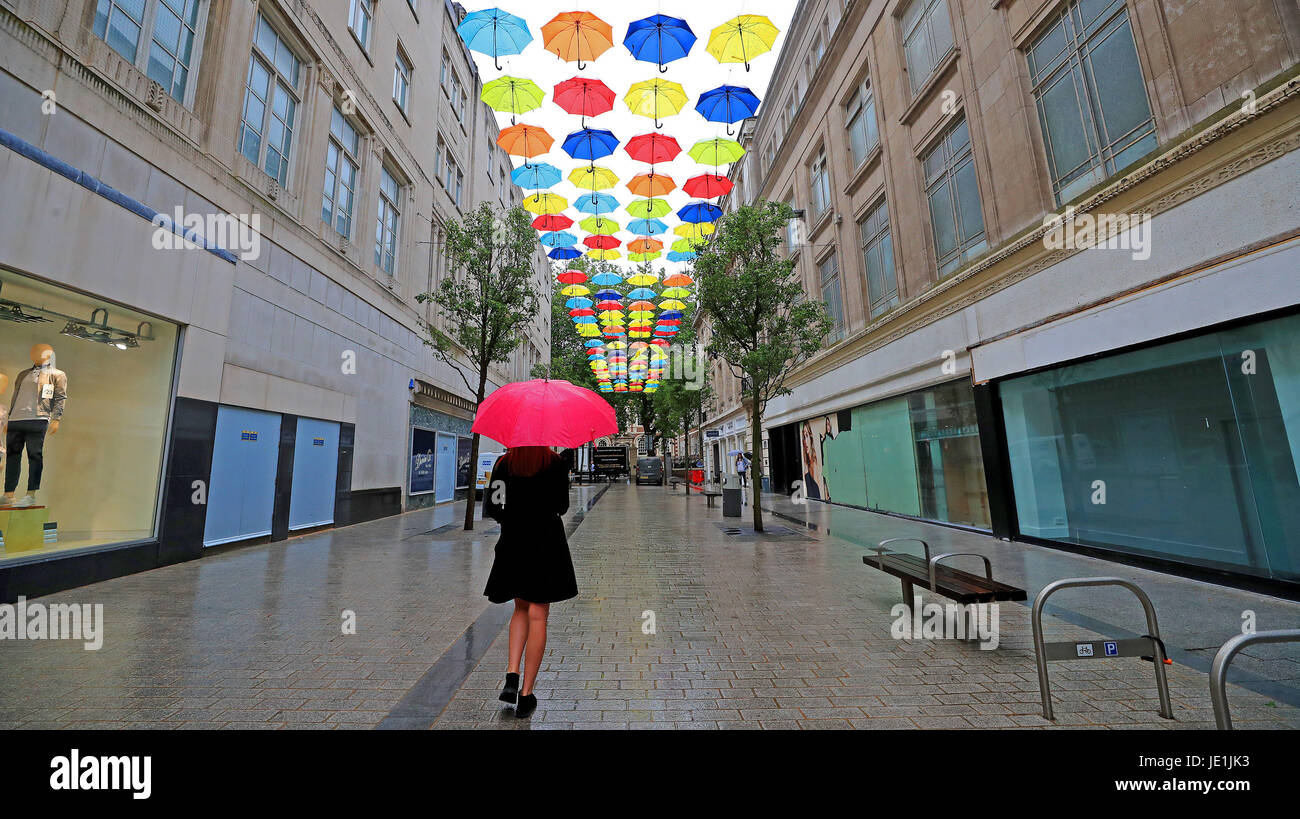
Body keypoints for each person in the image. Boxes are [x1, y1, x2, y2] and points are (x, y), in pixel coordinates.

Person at [482, 445, 577, 719]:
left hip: (513, 541)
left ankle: (512, 674)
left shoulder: (503, 462)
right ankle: (526, 695)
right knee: (538, 615)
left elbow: (494, 505)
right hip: (546, 543)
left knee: (520, 608)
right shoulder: (554, 462)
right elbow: (562, 505)